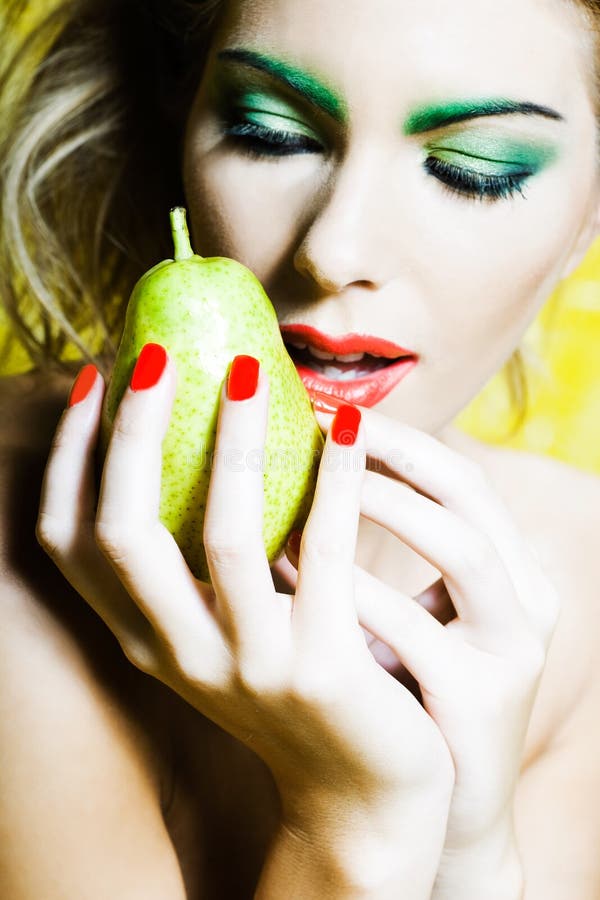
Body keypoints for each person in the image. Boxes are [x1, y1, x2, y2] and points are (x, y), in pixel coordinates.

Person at [2, 0, 600, 896]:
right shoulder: (16, 557)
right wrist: (359, 818)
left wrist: (471, 855)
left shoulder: (583, 586)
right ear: (179, 125)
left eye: (478, 170)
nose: (333, 249)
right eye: (268, 134)